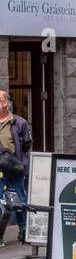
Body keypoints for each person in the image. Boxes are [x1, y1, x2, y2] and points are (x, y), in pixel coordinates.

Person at [0, 90, 33, 244]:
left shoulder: (19, 122)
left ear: (6, 103)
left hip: (14, 168)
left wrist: (16, 161)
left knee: (19, 198)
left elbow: (27, 144)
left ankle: (24, 228)